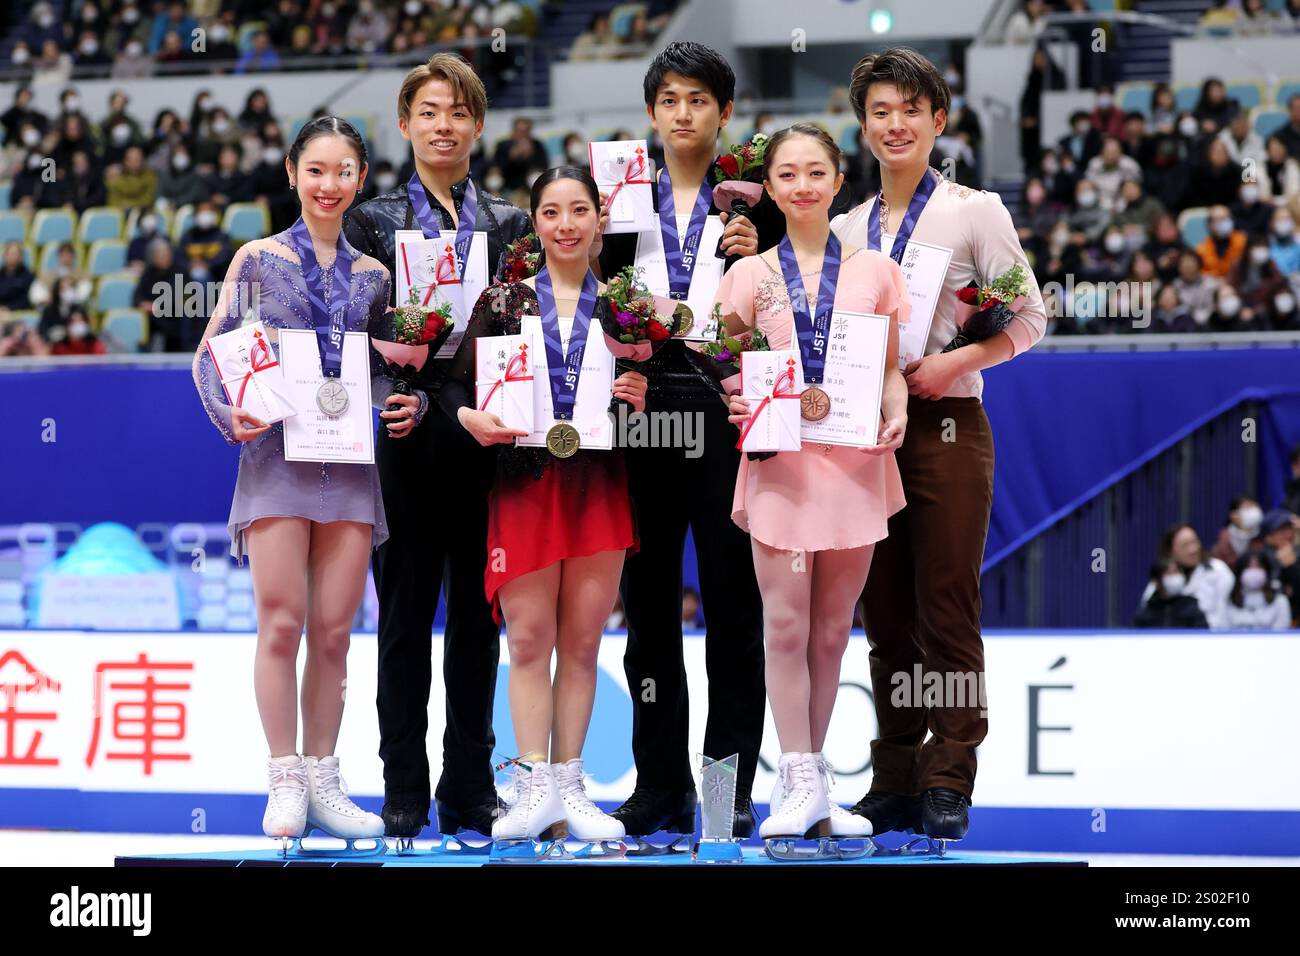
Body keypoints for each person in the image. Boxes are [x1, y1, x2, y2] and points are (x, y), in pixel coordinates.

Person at [832, 47, 1047, 842]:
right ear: (862, 125)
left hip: (949, 424)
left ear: (938, 121)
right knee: (883, 615)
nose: (895, 124)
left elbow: (1029, 318)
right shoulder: (846, 227)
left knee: (946, 606)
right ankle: (893, 778)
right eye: (881, 111)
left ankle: (949, 776)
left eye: (910, 111)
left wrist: (956, 359)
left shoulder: (973, 210)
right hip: (863, 432)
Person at [193, 116, 420, 846]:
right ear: (293, 171)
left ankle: (326, 775)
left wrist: (404, 399)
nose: (330, 185)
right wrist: (233, 415)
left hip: (351, 469)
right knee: (282, 623)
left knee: (332, 634)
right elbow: (209, 353)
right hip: (277, 463)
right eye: (316, 169)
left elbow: (385, 365)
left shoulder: (375, 275)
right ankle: (284, 774)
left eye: (345, 171)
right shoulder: (257, 259)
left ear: (360, 179)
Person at [342, 53, 531, 845]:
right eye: (428, 111)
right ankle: (402, 791)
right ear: (405, 122)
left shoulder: (511, 224)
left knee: (479, 626)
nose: (443, 125)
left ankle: (469, 788)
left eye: (457, 111)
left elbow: (521, 337)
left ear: (478, 124)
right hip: (406, 441)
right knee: (404, 622)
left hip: (487, 446)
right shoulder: (372, 220)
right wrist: (405, 389)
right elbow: (356, 335)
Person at [596, 41, 777, 843]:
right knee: (648, 615)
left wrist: (760, 252)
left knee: (736, 610)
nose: (682, 112)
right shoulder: (617, 200)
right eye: (668, 99)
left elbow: (791, 297)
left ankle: (724, 790)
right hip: (641, 418)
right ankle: (659, 786)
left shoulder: (760, 203)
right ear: (651, 112)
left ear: (725, 112)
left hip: (729, 415)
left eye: (698, 99)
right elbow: (589, 300)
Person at [440, 166, 647, 843]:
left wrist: (643, 397)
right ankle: (531, 787)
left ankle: (572, 788)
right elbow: (455, 386)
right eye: (552, 211)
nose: (565, 224)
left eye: (579, 210)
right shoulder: (504, 303)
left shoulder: (625, 306)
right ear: (534, 221)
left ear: (598, 220)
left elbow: (656, 388)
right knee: (530, 640)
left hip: (599, 482)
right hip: (525, 482)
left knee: (583, 642)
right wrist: (470, 416)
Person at [717, 124, 907, 842]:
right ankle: (794, 776)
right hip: (782, 465)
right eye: (787, 174)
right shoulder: (748, 275)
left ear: (837, 183)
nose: (801, 185)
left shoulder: (876, 273)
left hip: (855, 463)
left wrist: (896, 412)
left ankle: (816, 777)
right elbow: (722, 363)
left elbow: (890, 368)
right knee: (787, 624)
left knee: (832, 631)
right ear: (769, 188)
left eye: (815, 172)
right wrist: (736, 396)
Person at [1140, 524, 1235, 629]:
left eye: (1195, 542)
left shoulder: (1218, 570)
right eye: (1185, 545)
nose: (1193, 549)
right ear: (1170, 551)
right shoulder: (1162, 579)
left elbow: (1222, 614)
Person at [1223, 551, 1292, 630]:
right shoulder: (1230, 602)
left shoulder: (1280, 602)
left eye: (1258, 567)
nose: (1253, 571)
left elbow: (1281, 634)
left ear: (1266, 571)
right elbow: (1225, 632)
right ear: (1240, 572)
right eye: (1249, 567)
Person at [1135, 560, 1211, 628]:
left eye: (1178, 572)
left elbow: (1203, 635)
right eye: (1170, 573)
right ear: (1156, 581)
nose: (1176, 577)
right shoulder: (1146, 612)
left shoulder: (1192, 608)